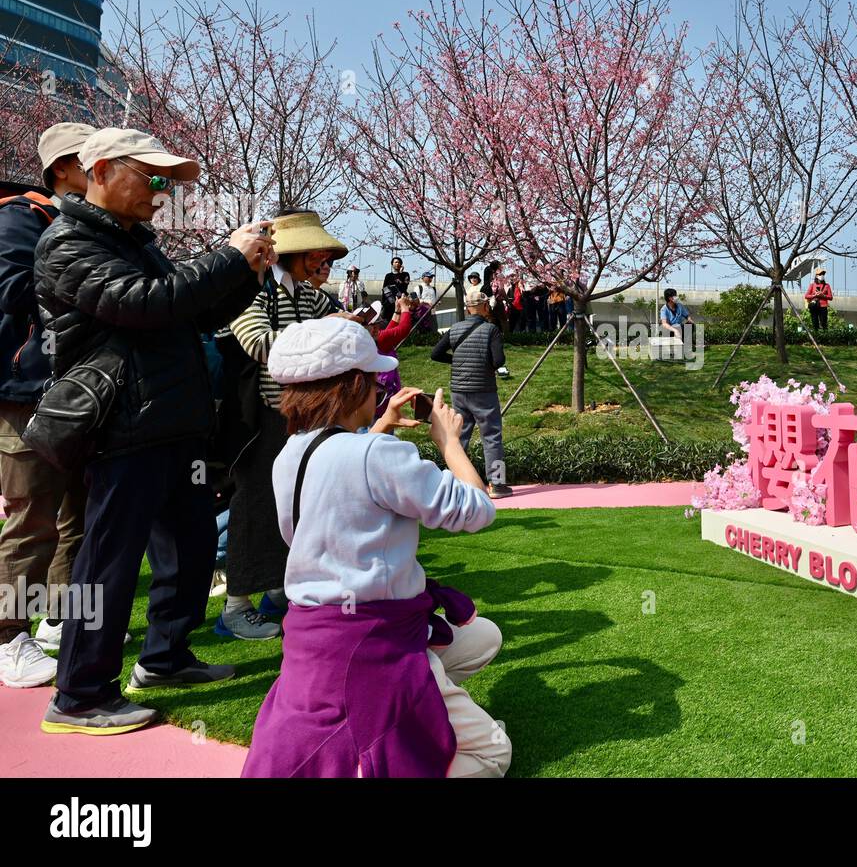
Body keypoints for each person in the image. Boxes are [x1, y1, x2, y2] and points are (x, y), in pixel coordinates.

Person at [34, 127, 274, 734]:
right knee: (108, 563)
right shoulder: (66, 242)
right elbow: (143, 303)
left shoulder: (135, 240)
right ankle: (80, 694)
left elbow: (192, 312)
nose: (162, 191)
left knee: (191, 552)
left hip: (173, 423)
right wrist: (225, 256)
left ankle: (164, 658)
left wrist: (244, 271)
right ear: (104, 170)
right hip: (121, 427)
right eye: (153, 177)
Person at [242, 317, 508, 778]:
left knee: (484, 637)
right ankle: (389, 729)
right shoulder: (374, 455)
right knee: (492, 754)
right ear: (355, 386)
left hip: (316, 639)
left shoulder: (291, 453)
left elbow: (315, 518)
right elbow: (477, 509)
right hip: (376, 644)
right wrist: (449, 444)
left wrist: (379, 430)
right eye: (374, 381)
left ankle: (408, 704)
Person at [221, 210, 348, 640]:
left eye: (326, 257)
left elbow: (330, 332)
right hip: (259, 420)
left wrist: (344, 327)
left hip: (300, 417)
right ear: (293, 254)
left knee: (293, 507)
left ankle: (279, 588)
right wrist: (324, 333)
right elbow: (259, 344)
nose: (323, 263)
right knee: (254, 505)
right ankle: (235, 605)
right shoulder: (250, 289)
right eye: (317, 255)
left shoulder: (311, 296)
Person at [0, 123, 94, 688]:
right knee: (31, 514)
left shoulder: (80, 224)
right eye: (93, 160)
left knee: (76, 513)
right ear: (62, 169)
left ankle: (57, 618)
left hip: (75, 391)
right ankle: (8, 635)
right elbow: (9, 290)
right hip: (24, 392)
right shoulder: (18, 217)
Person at [429, 293, 512, 498]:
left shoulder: (455, 329)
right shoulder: (490, 329)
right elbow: (499, 360)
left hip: (458, 390)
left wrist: (457, 362)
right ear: (484, 307)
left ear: (467, 308)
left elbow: (435, 353)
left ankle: (457, 480)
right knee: (492, 436)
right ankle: (497, 484)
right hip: (484, 390)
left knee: (459, 435)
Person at [381, 257, 410, 323]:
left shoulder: (405, 274)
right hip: (389, 303)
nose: (397, 264)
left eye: (399, 262)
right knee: (388, 322)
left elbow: (404, 287)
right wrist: (383, 302)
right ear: (392, 264)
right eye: (395, 262)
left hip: (400, 302)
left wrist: (400, 274)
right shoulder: (388, 276)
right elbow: (384, 289)